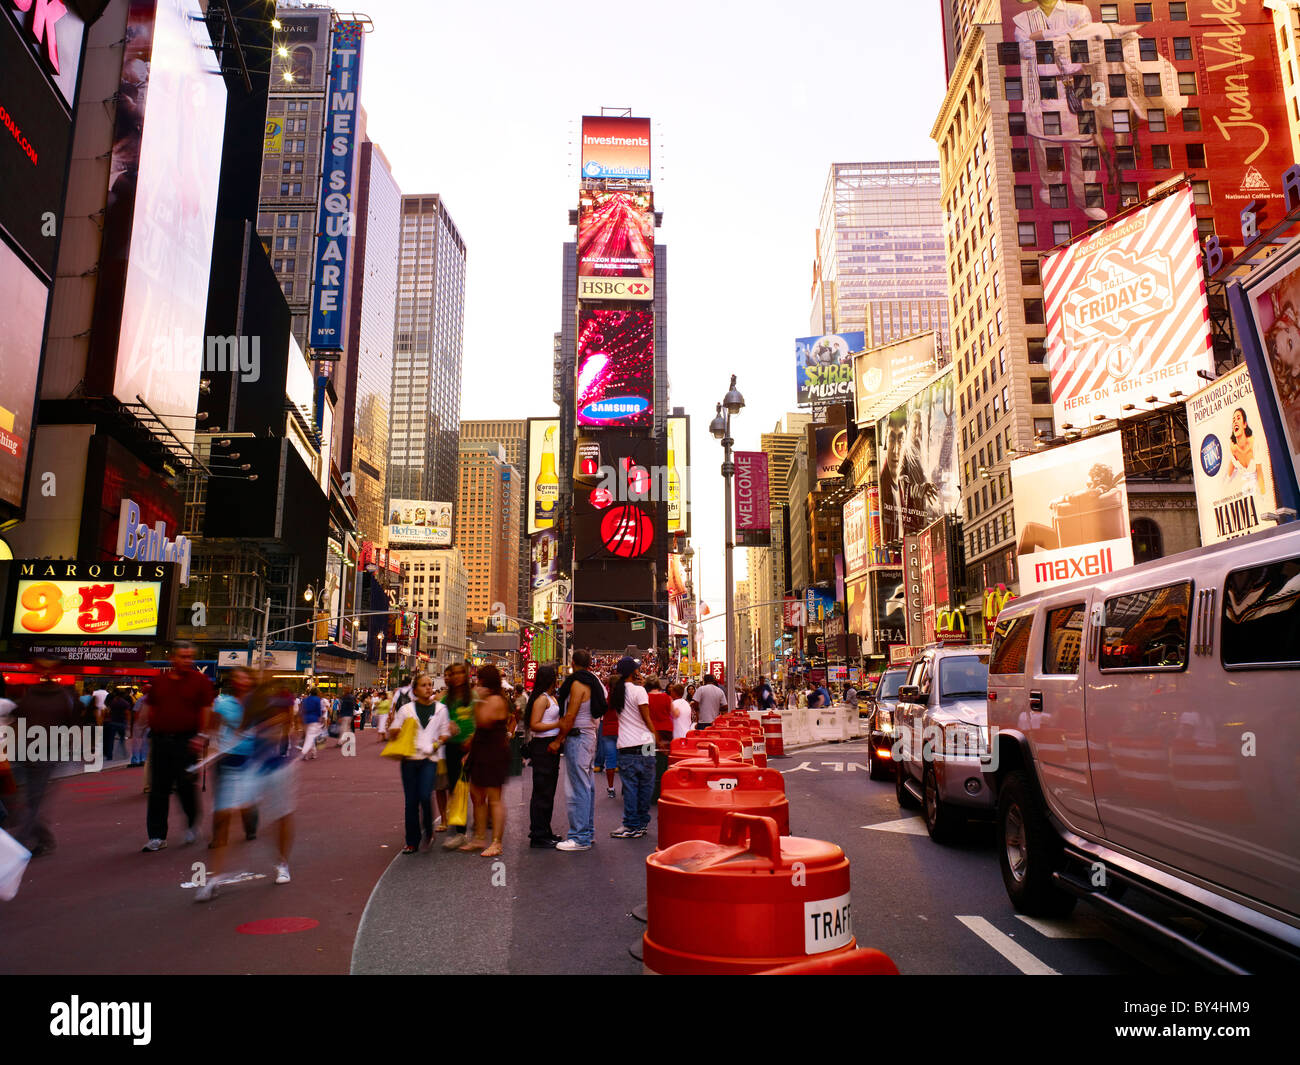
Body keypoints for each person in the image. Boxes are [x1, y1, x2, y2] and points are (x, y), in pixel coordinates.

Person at [196, 669, 298, 901]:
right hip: (250, 765)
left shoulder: (281, 700)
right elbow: (239, 730)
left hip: (277, 765)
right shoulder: (246, 703)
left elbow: (288, 727)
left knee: (281, 815)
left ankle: (282, 863)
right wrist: (214, 749)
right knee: (224, 816)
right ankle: (215, 878)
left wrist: (271, 729)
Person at [142, 642, 215, 852]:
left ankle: (192, 823)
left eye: (190, 657)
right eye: (183, 657)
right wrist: (142, 723)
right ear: (172, 658)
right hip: (160, 740)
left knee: (185, 787)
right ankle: (156, 835)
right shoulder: (160, 681)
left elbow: (207, 709)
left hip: (187, 741)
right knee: (158, 789)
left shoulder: (200, 681)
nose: (187, 661)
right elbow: (150, 706)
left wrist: (202, 735)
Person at [11, 656, 78, 856]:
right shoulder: (29, 693)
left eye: (51, 669)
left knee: (34, 797)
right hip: (25, 750)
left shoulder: (64, 696)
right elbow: (18, 718)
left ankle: (19, 842)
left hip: (47, 750)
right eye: (43, 669)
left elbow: (72, 726)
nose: (46, 673)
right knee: (29, 798)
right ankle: (45, 839)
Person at [386, 672, 450, 854]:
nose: (428, 687)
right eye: (423, 685)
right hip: (409, 760)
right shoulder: (406, 710)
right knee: (411, 801)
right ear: (414, 690)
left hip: (429, 759)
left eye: (430, 684)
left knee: (424, 795)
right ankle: (412, 840)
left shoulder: (440, 709)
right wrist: (394, 732)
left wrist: (436, 744)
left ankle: (428, 831)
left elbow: (445, 732)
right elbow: (394, 729)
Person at [551, 649, 608, 852]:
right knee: (587, 786)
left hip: (578, 737)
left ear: (573, 663)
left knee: (577, 788)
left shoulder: (577, 684)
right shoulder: (595, 682)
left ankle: (579, 836)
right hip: (589, 736)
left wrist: (558, 740)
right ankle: (587, 832)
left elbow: (570, 716)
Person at [461, 664, 511, 858]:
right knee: (477, 795)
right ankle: (479, 837)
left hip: (494, 753)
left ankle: (496, 842)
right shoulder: (487, 698)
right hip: (481, 750)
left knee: (494, 798)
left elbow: (482, 719)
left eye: (478, 678)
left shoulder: (496, 699)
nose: (475, 682)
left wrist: (476, 697)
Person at [209, 667, 258, 847]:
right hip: (226, 754)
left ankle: (250, 825)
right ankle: (218, 837)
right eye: (237, 678)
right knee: (222, 798)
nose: (241, 682)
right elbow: (212, 727)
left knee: (247, 798)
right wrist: (211, 747)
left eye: (245, 678)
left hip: (250, 756)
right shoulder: (223, 703)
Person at [609, 657, 656, 840]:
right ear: (632, 672)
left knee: (630, 787)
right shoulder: (639, 691)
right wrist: (656, 738)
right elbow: (646, 718)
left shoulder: (618, 692)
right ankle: (641, 823)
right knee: (646, 785)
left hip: (627, 745)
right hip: (645, 744)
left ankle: (631, 824)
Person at [525, 666, 563, 849]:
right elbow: (534, 725)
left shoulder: (550, 698)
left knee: (548, 791)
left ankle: (545, 830)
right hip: (542, 747)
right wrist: (557, 724)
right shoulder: (541, 700)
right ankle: (538, 834)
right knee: (542, 792)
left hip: (550, 748)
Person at [440, 662, 476, 850]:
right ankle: (461, 832)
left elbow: (481, 720)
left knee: (477, 791)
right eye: (453, 673)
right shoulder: (445, 700)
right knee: (456, 788)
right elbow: (438, 721)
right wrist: (448, 727)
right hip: (452, 748)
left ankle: (479, 829)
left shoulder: (474, 697)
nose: (457, 676)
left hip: (473, 748)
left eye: (461, 672)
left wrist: (472, 740)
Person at [103, 686, 133, 762]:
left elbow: (108, 711)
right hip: (121, 723)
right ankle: (124, 754)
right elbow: (127, 713)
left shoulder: (112, 702)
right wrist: (128, 724)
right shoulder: (125, 703)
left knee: (110, 740)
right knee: (122, 739)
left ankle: (109, 756)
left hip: (112, 722)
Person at [298, 686, 324, 760]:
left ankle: (313, 753)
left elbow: (302, 709)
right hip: (314, 720)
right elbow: (318, 710)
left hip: (305, 719)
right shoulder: (317, 700)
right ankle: (303, 753)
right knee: (310, 738)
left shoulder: (305, 699)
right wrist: (320, 718)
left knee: (309, 736)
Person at [128, 685, 150, 767]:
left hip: (139, 723)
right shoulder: (153, 700)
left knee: (137, 742)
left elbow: (136, 711)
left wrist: (134, 722)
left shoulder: (141, 699)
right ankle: (143, 759)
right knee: (145, 742)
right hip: (148, 723)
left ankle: (135, 760)